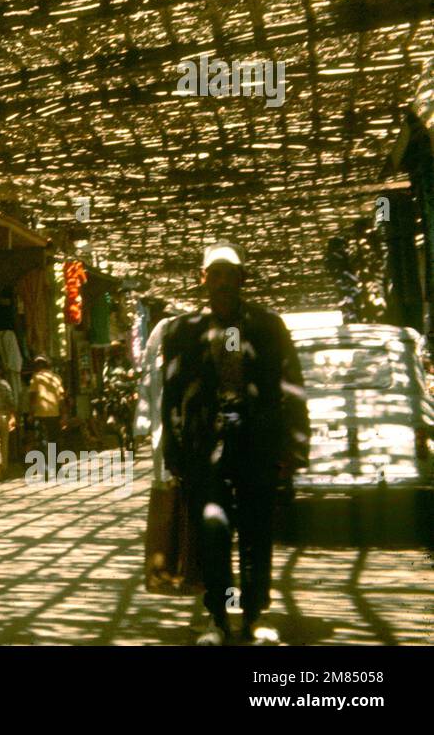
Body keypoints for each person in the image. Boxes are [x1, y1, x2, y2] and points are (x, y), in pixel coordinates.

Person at [160, 242, 308, 646]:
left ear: (242, 279)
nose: (223, 281)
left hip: (257, 442)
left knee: (256, 534)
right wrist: (172, 451)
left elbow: (290, 384)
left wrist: (295, 445)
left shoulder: (267, 326)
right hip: (205, 447)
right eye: (216, 274)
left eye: (231, 274)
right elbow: (170, 394)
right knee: (213, 532)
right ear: (203, 279)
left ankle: (254, 616)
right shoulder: (181, 331)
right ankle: (219, 618)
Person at [28, 356, 66, 461]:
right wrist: (64, 414)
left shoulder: (35, 378)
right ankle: (56, 464)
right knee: (54, 439)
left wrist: (31, 413)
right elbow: (61, 397)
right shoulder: (56, 377)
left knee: (42, 440)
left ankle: (45, 464)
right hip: (54, 413)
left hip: (40, 414)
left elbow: (32, 397)